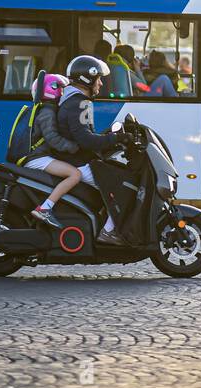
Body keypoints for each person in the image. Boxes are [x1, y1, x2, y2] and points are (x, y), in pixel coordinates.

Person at [54, 55, 131, 245]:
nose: (101, 84)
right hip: (77, 162)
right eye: (99, 79)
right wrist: (117, 138)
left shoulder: (70, 99)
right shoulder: (81, 102)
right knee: (121, 185)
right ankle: (108, 231)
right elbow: (86, 139)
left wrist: (107, 138)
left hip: (72, 159)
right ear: (88, 79)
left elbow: (82, 133)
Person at [20, 72, 85, 229]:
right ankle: (45, 208)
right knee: (75, 174)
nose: (63, 93)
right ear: (52, 90)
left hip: (37, 156)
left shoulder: (43, 109)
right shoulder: (47, 112)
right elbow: (53, 139)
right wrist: (75, 147)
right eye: (61, 89)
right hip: (36, 158)